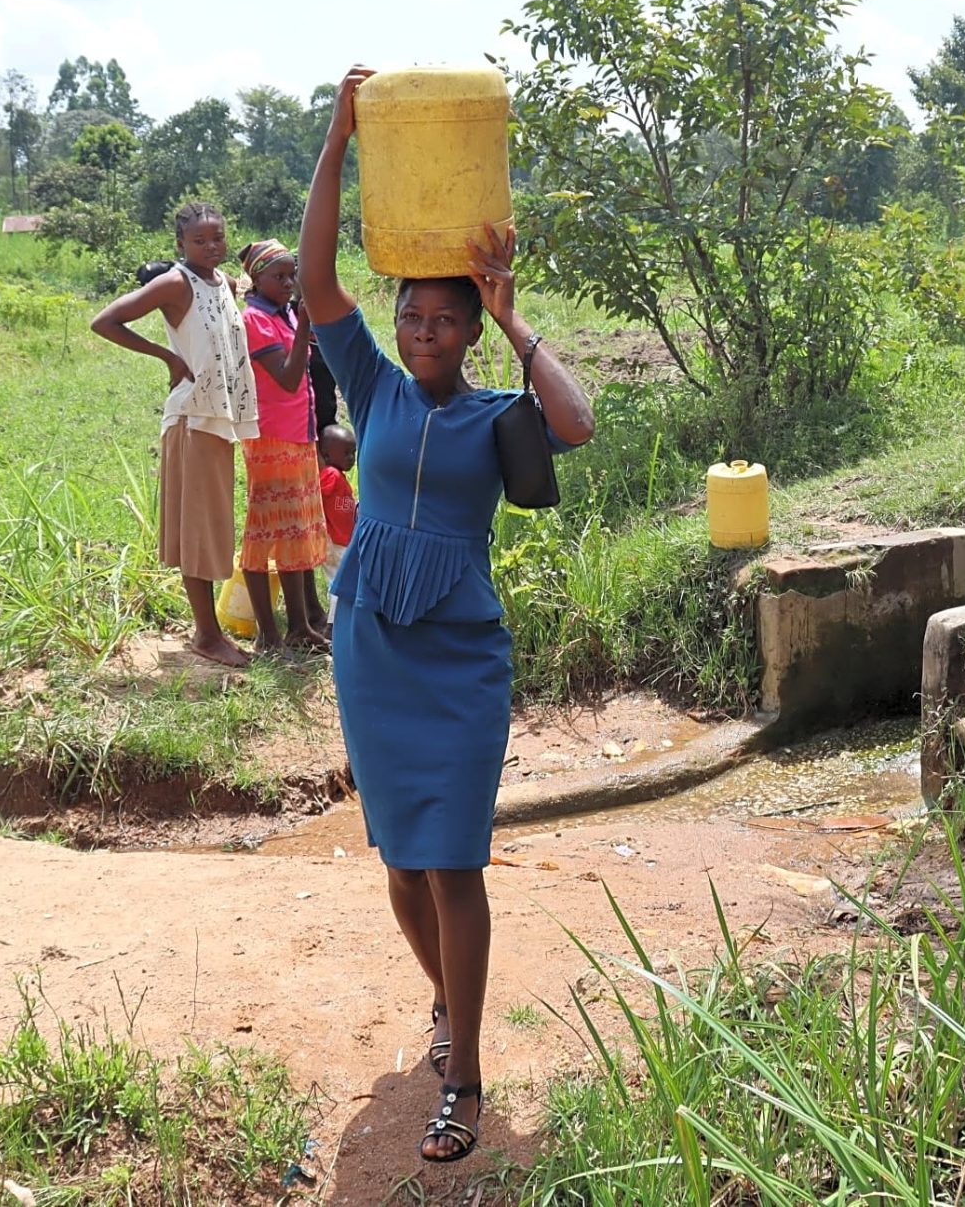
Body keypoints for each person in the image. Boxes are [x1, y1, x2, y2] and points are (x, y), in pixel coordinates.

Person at [299, 64, 595, 1164]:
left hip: (460, 654)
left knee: (454, 859)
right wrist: (340, 136)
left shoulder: (494, 414)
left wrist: (515, 318)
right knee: (397, 860)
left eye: (444, 319)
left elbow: (579, 423)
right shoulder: (368, 387)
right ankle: (442, 999)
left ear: (467, 329)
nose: (423, 332)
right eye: (411, 316)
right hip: (372, 643)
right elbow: (319, 267)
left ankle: (463, 1074)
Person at [91, 203, 258, 667]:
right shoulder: (174, 283)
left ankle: (209, 630)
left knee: (210, 523)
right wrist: (167, 357)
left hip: (216, 418)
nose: (211, 246)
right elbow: (105, 321)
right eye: (200, 240)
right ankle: (207, 635)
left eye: (218, 237)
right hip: (192, 417)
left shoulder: (222, 283)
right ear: (180, 245)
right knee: (198, 528)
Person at [235, 238, 331, 652]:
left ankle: (299, 626)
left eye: (292, 275)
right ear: (256, 278)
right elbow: (288, 378)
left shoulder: (283, 314)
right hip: (272, 437)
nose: (289, 282)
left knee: (294, 532)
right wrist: (306, 324)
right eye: (280, 276)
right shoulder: (255, 320)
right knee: (263, 534)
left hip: (297, 434)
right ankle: (269, 635)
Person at [317, 422, 358, 633]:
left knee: (340, 580)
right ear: (327, 455)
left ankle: (335, 623)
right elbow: (317, 491)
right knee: (338, 582)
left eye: (353, 453)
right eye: (346, 453)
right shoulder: (331, 475)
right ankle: (332, 627)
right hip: (334, 541)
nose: (351, 458)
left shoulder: (337, 475)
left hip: (342, 539)